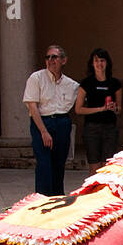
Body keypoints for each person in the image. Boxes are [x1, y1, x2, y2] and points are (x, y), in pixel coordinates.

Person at [23, 44, 80, 195]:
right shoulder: (36, 78)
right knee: (44, 165)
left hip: (62, 123)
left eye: (54, 57)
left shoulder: (72, 85)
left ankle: (57, 198)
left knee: (59, 164)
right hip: (42, 122)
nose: (50, 60)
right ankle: (42, 200)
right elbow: (32, 106)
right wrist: (43, 131)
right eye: (47, 57)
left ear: (63, 60)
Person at [75, 47, 123, 174]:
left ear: (107, 63)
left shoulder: (115, 83)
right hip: (92, 128)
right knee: (94, 167)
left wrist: (114, 108)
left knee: (107, 166)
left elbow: (119, 109)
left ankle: (104, 193)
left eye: (102, 60)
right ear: (92, 63)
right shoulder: (86, 83)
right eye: (96, 61)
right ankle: (93, 193)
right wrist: (100, 109)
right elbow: (78, 109)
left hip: (110, 128)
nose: (99, 64)